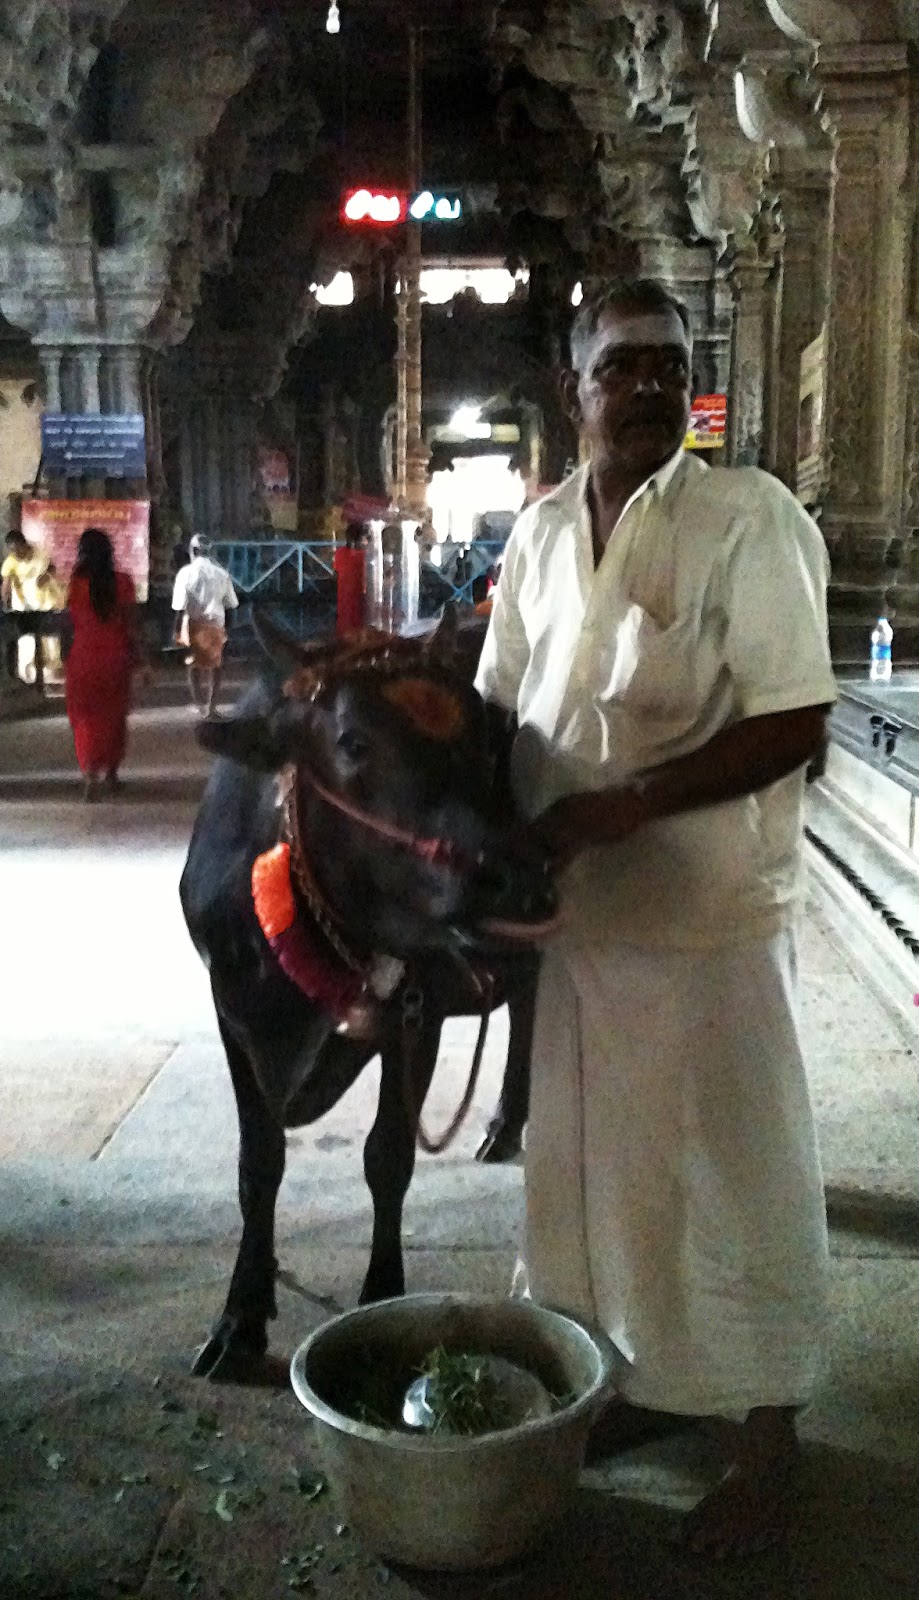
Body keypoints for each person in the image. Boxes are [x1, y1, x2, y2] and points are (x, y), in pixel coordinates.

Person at [475, 277, 837, 1557]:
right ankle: (628, 1382)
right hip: (578, 924)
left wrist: (626, 806)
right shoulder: (535, 535)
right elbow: (500, 709)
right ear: (571, 388)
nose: (646, 388)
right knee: (597, 1175)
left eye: (667, 368)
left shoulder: (749, 517)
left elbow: (794, 720)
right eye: (620, 366)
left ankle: (767, 1431)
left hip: (708, 922)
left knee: (737, 1169)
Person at [66, 527, 146, 801]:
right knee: (113, 717)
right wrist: (143, 660)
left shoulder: (76, 584)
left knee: (84, 718)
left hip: (82, 658)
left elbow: (71, 623)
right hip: (115, 658)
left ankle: (89, 774)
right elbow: (132, 627)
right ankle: (111, 774)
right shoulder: (123, 582)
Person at [171, 534, 238, 718]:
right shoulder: (221, 573)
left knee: (193, 664)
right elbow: (231, 605)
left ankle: (199, 704)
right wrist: (227, 630)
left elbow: (179, 607)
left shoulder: (185, 573)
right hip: (216, 623)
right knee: (216, 666)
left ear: (193, 551)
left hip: (193, 624)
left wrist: (176, 630)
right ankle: (212, 706)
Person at [1, 530, 66, 686]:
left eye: (18, 549)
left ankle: (53, 672)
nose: (16, 554)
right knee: (28, 640)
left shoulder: (40, 553)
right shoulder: (10, 562)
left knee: (50, 639)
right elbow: (6, 585)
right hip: (26, 605)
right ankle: (32, 674)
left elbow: (51, 568)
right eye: (12, 551)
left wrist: (46, 576)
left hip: (47, 601)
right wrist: (5, 605)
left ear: (24, 544)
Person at [333, 522, 367, 636]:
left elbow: (337, 571)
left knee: (344, 628)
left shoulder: (340, 553)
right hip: (359, 598)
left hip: (343, 598)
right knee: (358, 628)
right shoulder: (363, 556)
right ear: (360, 539)